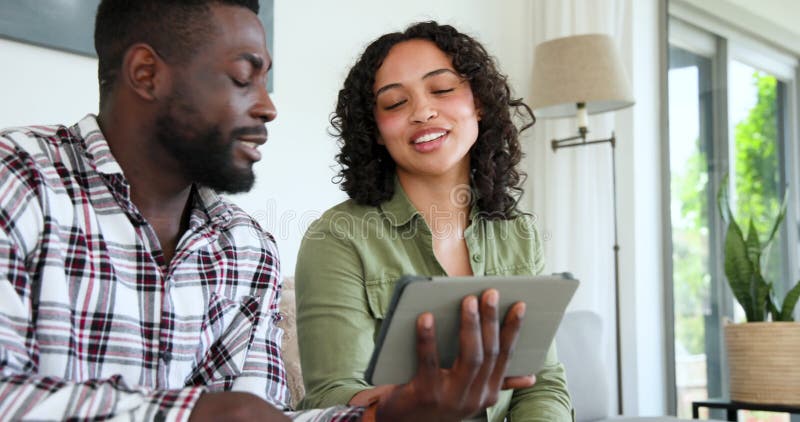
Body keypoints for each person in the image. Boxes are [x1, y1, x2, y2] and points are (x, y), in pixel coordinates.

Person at [0, 2, 529, 421]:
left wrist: (390, 415)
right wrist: (196, 413)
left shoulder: (245, 247)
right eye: (241, 76)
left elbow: (264, 416)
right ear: (146, 73)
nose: (267, 105)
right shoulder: (18, 180)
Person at [295, 21, 574, 421]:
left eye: (442, 90)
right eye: (394, 103)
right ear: (375, 130)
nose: (423, 111)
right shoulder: (337, 237)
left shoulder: (518, 233)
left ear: (478, 101)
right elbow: (333, 397)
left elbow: (542, 383)